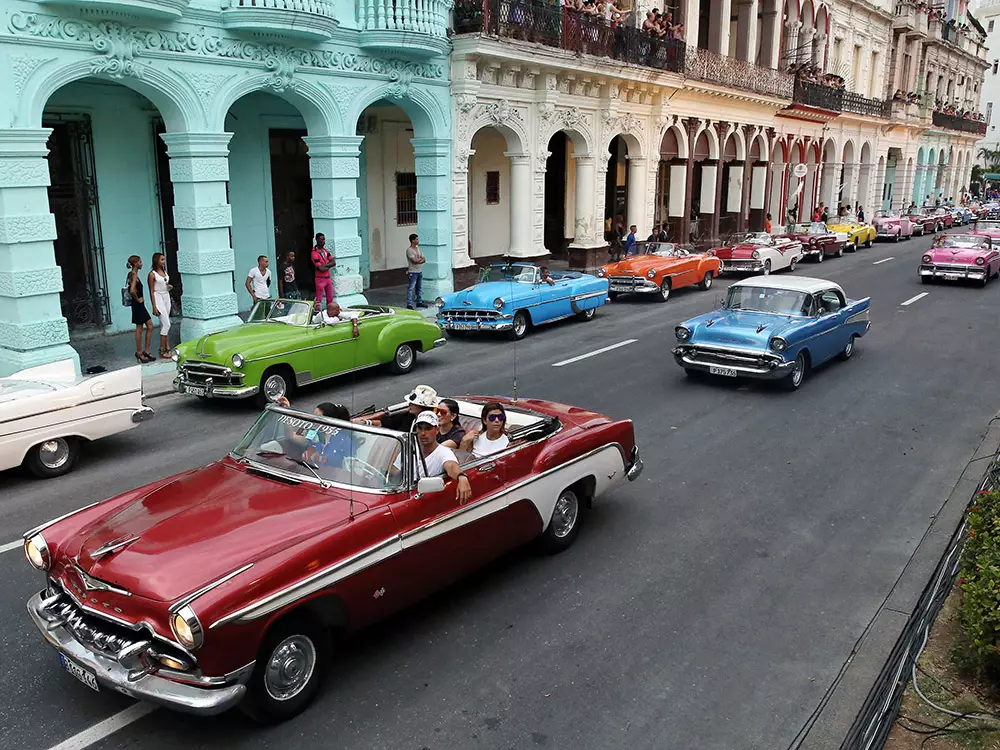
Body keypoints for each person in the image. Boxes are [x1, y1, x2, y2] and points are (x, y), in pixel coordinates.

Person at [409, 412, 472, 503]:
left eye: (428, 429)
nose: (423, 433)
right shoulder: (410, 448)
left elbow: (451, 465)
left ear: (437, 430)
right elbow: (394, 472)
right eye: (420, 428)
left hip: (424, 499)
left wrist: (461, 477)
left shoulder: (444, 452)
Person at [358, 384, 438, 432]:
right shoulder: (406, 417)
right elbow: (384, 423)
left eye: (413, 403)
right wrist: (367, 423)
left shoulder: (434, 423)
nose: (409, 404)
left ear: (423, 407)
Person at [127, 255, 155, 363]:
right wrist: (138, 299)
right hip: (138, 305)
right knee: (147, 326)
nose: (141, 264)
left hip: (138, 305)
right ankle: (141, 352)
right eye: (140, 262)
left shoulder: (133, 274)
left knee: (143, 327)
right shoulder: (133, 275)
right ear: (135, 263)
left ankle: (144, 352)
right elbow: (132, 290)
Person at [148, 252, 173, 359]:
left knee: (164, 324)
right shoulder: (152, 274)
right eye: (162, 259)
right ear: (156, 261)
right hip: (158, 297)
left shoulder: (164, 272)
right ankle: (162, 349)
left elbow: (164, 285)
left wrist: (168, 287)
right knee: (167, 324)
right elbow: (151, 291)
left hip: (166, 296)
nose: (164, 261)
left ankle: (167, 347)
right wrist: (154, 306)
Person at [311, 233, 335, 310]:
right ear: (317, 240)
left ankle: (330, 312)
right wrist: (328, 265)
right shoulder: (314, 253)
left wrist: (325, 266)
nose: (323, 241)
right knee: (319, 299)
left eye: (324, 239)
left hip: (328, 278)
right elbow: (321, 269)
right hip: (320, 278)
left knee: (330, 298)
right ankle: (317, 313)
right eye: (322, 239)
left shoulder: (325, 251)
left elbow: (333, 262)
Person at [405, 233, 426, 309]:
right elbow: (414, 261)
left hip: (419, 271)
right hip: (413, 271)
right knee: (411, 288)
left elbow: (424, 259)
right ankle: (409, 304)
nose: (418, 240)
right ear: (412, 240)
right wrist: (420, 260)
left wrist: (419, 260)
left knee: (419, 288)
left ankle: (419, 302)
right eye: (416, 239)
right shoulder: (409, 250)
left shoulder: (418, 249)